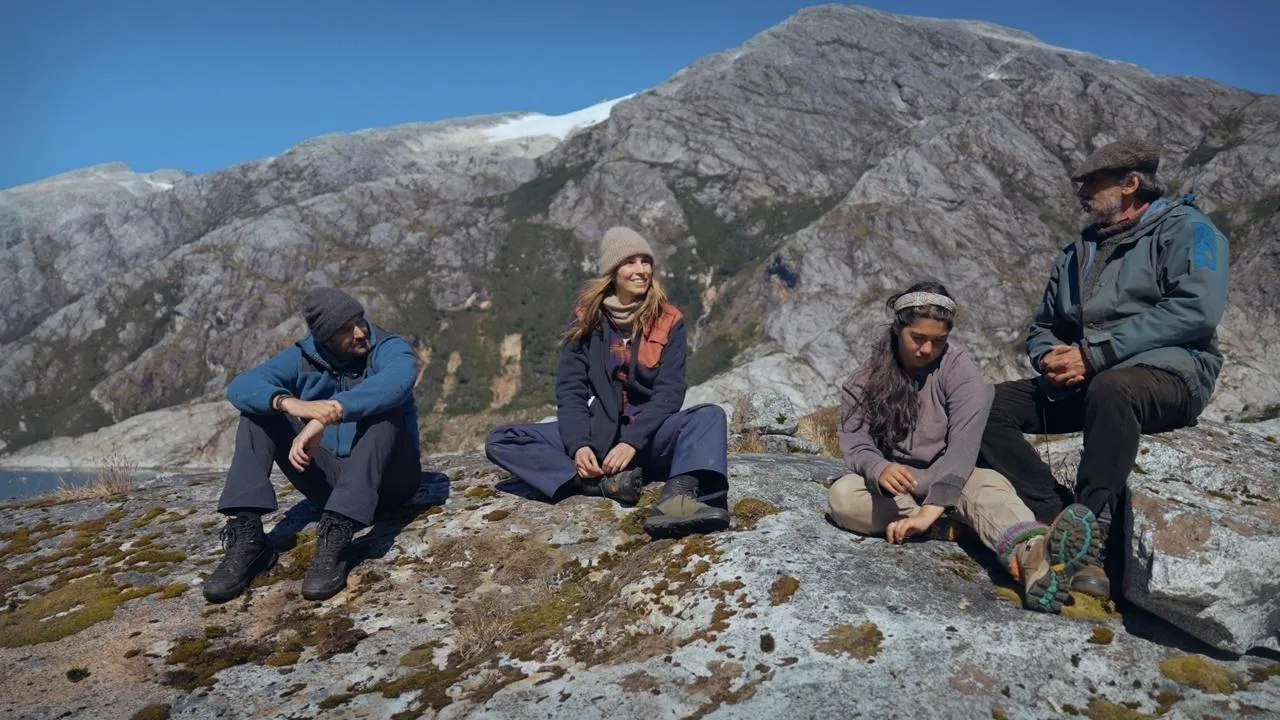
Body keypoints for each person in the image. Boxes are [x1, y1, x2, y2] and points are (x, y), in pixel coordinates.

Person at [980, 138, 1230, 599]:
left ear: (1131, 184)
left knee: (1112, 389)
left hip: (1171, 374)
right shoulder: (1077, 252)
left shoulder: (1188, 231)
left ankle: (1093, 530)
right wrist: (1049, 357)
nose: (1082, 193)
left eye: (1092, 182)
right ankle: (1062, 518)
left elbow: (1197, 310)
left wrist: (1094, 355)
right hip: (1089, 373)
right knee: (984, 406)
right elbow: (1043, 325)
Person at [827, 282, 1102, 613]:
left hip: (956, 481)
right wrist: (877, 467)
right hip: (899, 488)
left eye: (938, 341)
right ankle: (956, 527)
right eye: (918, 338)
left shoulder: (959, 369)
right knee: (844, 496)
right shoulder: (864, 378)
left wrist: (935, 504)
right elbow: (855, 439)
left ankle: (1033, 557)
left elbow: (965, 442)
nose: (927, 349)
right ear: (898, 328)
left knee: (989, 489)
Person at [486, 226, 731, 537]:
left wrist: (632, 442)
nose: (641, 270)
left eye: (646, 261)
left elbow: (670, 392)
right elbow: (571, 389)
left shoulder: (669, 320)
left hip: (649, 437)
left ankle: (677, 500)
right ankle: (598, 484)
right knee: (501, 438)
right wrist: (579, 446)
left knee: (708, 416)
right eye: (630, 262)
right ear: (613, 272)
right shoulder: (587, 319)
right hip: (597, 434)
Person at [204, 287, 421, 603]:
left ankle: (337, 538)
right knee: (257, 413)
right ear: (324, 338)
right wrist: (292, 405)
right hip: (330, 480)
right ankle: (248, 537)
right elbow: (242, 386)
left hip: (391, 481)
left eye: (360, 321)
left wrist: (328, 414)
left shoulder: (389, 347)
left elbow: (398, 381)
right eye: (346, 330)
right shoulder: (302, 357)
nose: (360, 332)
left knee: (385, 412)